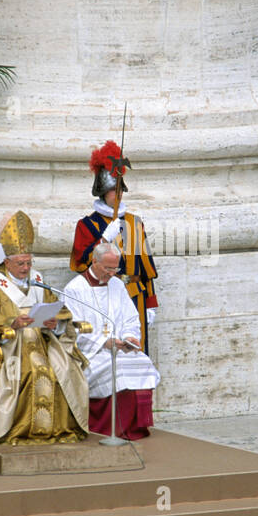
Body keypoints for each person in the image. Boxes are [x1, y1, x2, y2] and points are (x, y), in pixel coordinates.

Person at [0, 211, 90, 445]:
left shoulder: (37, 280)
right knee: (34, 372)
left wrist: (56, 322)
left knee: (64, 368)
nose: (26, 268)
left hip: (42, 339)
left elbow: (56, 308)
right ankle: (22, 431)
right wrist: (11, 323)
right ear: (7, 262)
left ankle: (58, 430)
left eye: (29, 263)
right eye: (20, 263)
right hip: (10, 342)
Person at [70, 140, 159, 355]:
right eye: (113, 190)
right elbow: (81, 264)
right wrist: (103, 239)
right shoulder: (86, 225)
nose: (118, 194)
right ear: (103, 192)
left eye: (120, 190)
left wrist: (150, 303)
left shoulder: (134, 223)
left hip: (135, 297)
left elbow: (144, 269)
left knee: (135, 353)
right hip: (104, 296)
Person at [65, 242, 159, 440]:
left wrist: (130, 338)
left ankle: (135, 427)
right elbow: (72, 330)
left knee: (143, 362)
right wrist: (104, 342)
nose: (112, 273)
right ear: (94, 261)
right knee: (120, 369)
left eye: (115, 268)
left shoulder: (117, 284)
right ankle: (114, 428)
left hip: (119, 348)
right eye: (107, 268)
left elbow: (130, 319)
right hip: (91, 353)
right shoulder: (75, 289)